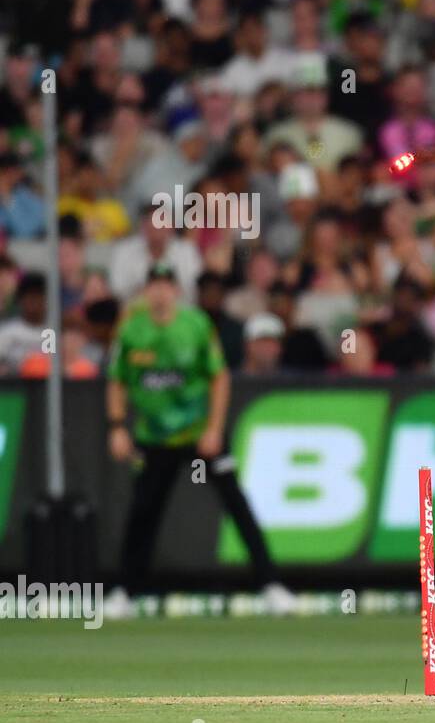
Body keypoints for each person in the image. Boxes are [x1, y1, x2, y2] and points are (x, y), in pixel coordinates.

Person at [104, 262, 294, 617]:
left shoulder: (195, 326)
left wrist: (214, 429)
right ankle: (125, 592)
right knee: (143, 511)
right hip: (154, 437)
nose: (160, 292)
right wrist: (116, 426)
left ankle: (271, 584)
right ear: (147, 292)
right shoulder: (132, 330)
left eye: (166, 285)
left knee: (237, 504)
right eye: (154, 285)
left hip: (197, 433)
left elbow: (219, 377)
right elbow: (117, 379)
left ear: (176, 291)